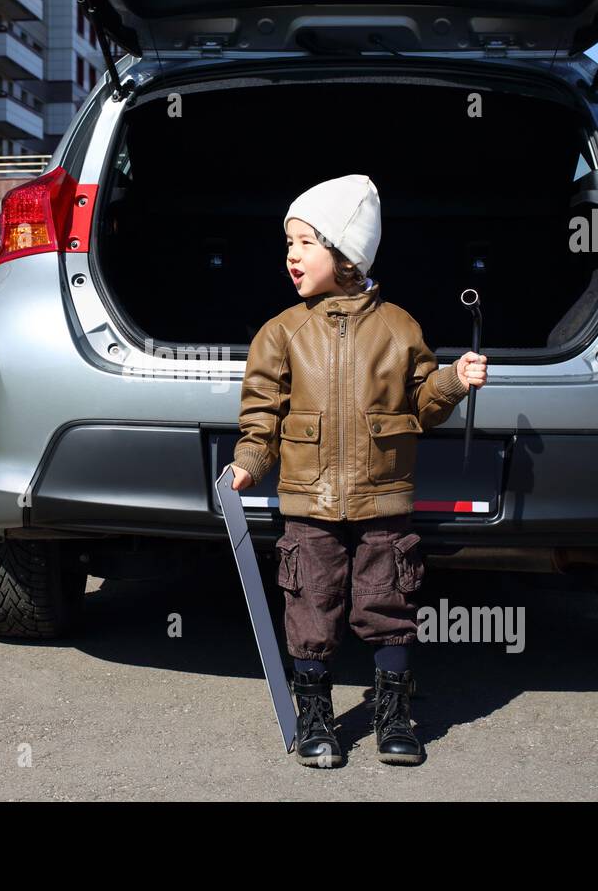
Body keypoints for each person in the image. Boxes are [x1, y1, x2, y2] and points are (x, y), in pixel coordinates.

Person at [229, 174, 487, 768]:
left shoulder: (400, 328)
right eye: (288, 244)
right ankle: (314, 710)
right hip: (309, 503)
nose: (290, 255)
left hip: (383, 500)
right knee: (310, 603)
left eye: (305, 243)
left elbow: (422, 407)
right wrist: (248, 464)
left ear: (346, 253)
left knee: (388, 601)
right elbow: (261, 416)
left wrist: (451, 380)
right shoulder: (280, 332)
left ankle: (393, 711)